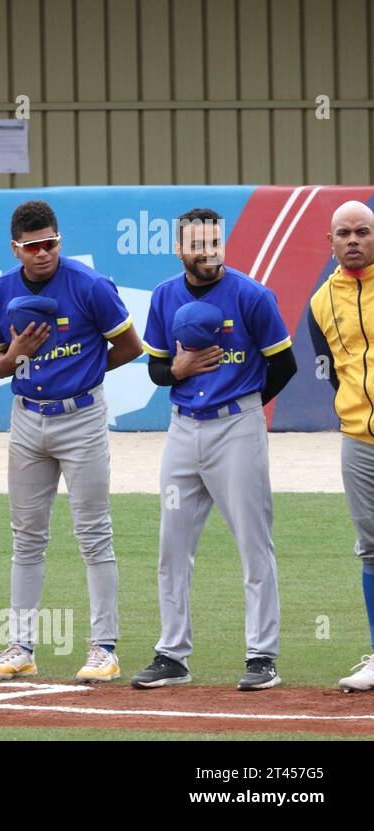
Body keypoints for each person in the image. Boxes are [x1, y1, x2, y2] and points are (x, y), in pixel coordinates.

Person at [131, 207, 297, 691]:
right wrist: (179, 372)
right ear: (180, 249)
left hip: (236, 431)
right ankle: (172, 655)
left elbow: (283, 365)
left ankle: (261, 656)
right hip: (183, 431)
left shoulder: (251, 295)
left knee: (253, 543)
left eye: (214, 243)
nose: (208, 252)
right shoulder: (164, 297)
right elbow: (158, 371)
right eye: (197, 245)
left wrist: (244, 406)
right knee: (171, 547)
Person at [0, 200, 143, 683]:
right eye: (33, 247)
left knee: (93, 533)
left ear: (59, 240)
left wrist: (84, 372)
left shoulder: (90, 285)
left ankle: (104, 648)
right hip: (27, 416)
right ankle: (20, 646)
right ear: (16, 248)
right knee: (26, 537)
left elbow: (131, 346)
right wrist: (18, 352)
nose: (44, 253)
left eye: (50, 243)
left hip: (82, 416)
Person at [307, 199, 374, 693]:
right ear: (329, 242)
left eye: (363, 231)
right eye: (344, 233)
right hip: (359, 440)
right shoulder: (319, 303)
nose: (354, 240)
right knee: (371, 548)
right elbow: (334, 372)